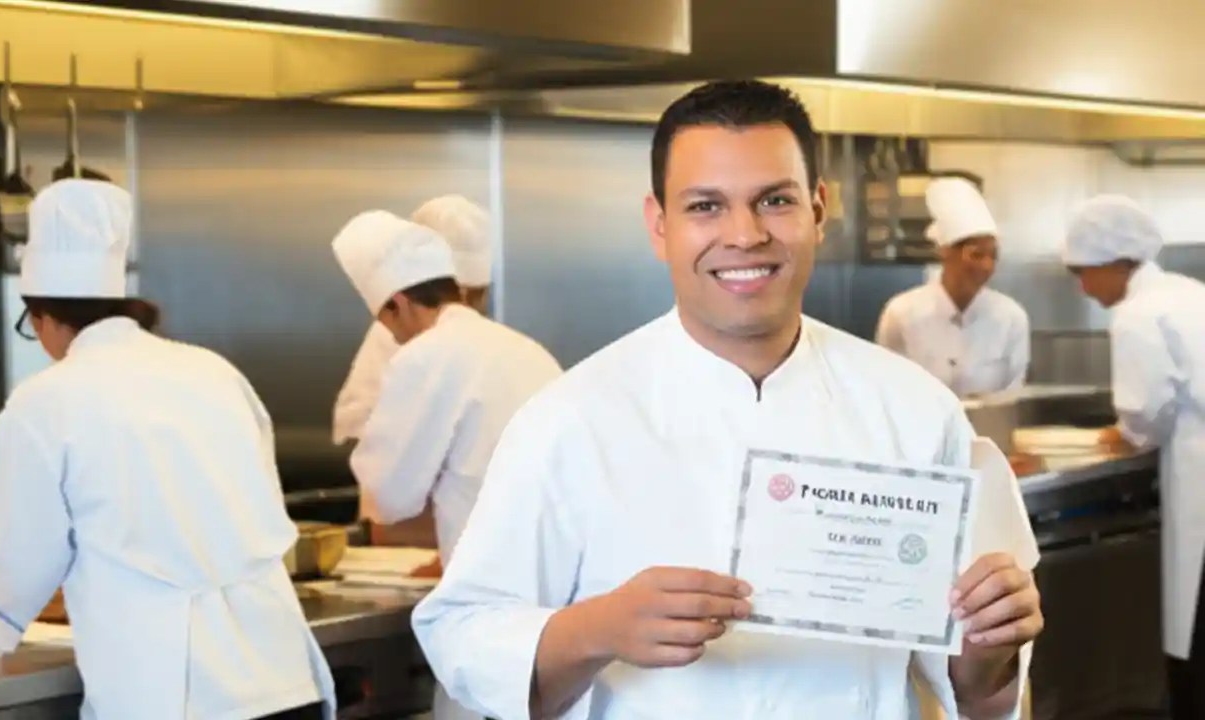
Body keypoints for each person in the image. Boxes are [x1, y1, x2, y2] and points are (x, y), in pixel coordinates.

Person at [412, 80, 1042, 720]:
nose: (744, 235)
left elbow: (977, 692)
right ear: (659, 226)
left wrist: (993, 640)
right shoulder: (569, 420)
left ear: (818, 211)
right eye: (705, 206)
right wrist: (600, 627)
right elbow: (464, 632)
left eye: (774, 200)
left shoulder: (915, 412)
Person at [0, 179, 334, 720]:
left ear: (43, 316)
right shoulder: (213, 371)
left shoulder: (44, 401)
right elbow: (260, 504)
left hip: (173, 694)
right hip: (280, 677)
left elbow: (22, 561)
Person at [331, 209, 561, 720]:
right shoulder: (522, 348)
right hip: (556, 607)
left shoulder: (427, 355)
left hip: (488, 609)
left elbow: (388, 499)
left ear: (396, 303)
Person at [1061, 195, 1205, 719]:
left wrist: (1118, 433)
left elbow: (1145, 418)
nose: (1084, 287)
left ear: (1116, 263)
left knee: (1197, 635)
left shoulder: (1137, 316)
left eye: (1085, 273)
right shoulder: (1186, 293)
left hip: (1200, 490)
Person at [331, 195, 492, 446]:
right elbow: (355, 428)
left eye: (477, 294)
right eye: (460, 293)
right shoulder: (393, 333)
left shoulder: (493, 339)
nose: (465, 305)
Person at [876, 176, 1030, 397]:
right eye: (976, 255)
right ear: (945, 251)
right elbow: (886, 389)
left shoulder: (1011, 318)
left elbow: (1013, 397)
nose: (987, 266)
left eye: (993, 256)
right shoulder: (901, 314)